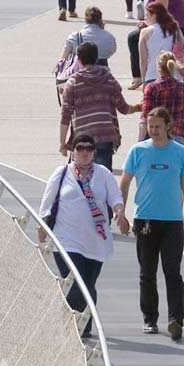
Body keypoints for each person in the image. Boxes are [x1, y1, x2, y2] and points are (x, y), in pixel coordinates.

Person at [40, 134, 128, 338]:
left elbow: (115, 197)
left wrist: (120, 212)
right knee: (75, 284)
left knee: (88, 286)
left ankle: (85, 324)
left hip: (95, 241)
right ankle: (71, 328)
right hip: (66, 240)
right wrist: (42, 227)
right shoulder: (61, 173)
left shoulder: (103, 174)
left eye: (89, 148)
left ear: (94, 151)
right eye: (80, 148)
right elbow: (47, 203)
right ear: (73, 151)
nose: (85, 152)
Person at [120, 105, 184, 340]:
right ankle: (150, 319)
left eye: (157, 127)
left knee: (173, 272)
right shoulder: (138, 151)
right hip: (145, 220)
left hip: (173, 221)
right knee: (147, 273)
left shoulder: (179, 152)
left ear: (168, 127)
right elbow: (124, 182)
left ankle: (176, 320)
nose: (153, 130)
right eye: (150, 126)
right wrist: (121, 214)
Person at [58, 39, 139, 167]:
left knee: (82, 176)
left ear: (78, 60)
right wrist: (138, 107)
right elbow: (123, 108)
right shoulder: (109, 79)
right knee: (103, 176)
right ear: (97, 58)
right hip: (105, 135)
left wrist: (62, 143)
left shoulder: (72, 83)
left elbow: (65, 116)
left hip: (82, 140)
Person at [127, 0, 184, 79]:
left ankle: (139, 75)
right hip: (172, 26)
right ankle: (142, 74)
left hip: (174, 28)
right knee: (139, 36)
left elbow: (161, 13)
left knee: (134, 38)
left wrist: (147, 25)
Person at [141, 46, 184, 135]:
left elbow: (146, 118)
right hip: (177, 134)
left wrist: (141, 140)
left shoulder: (152, 88)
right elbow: (182, 113)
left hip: (156, 136)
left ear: (158, 67)